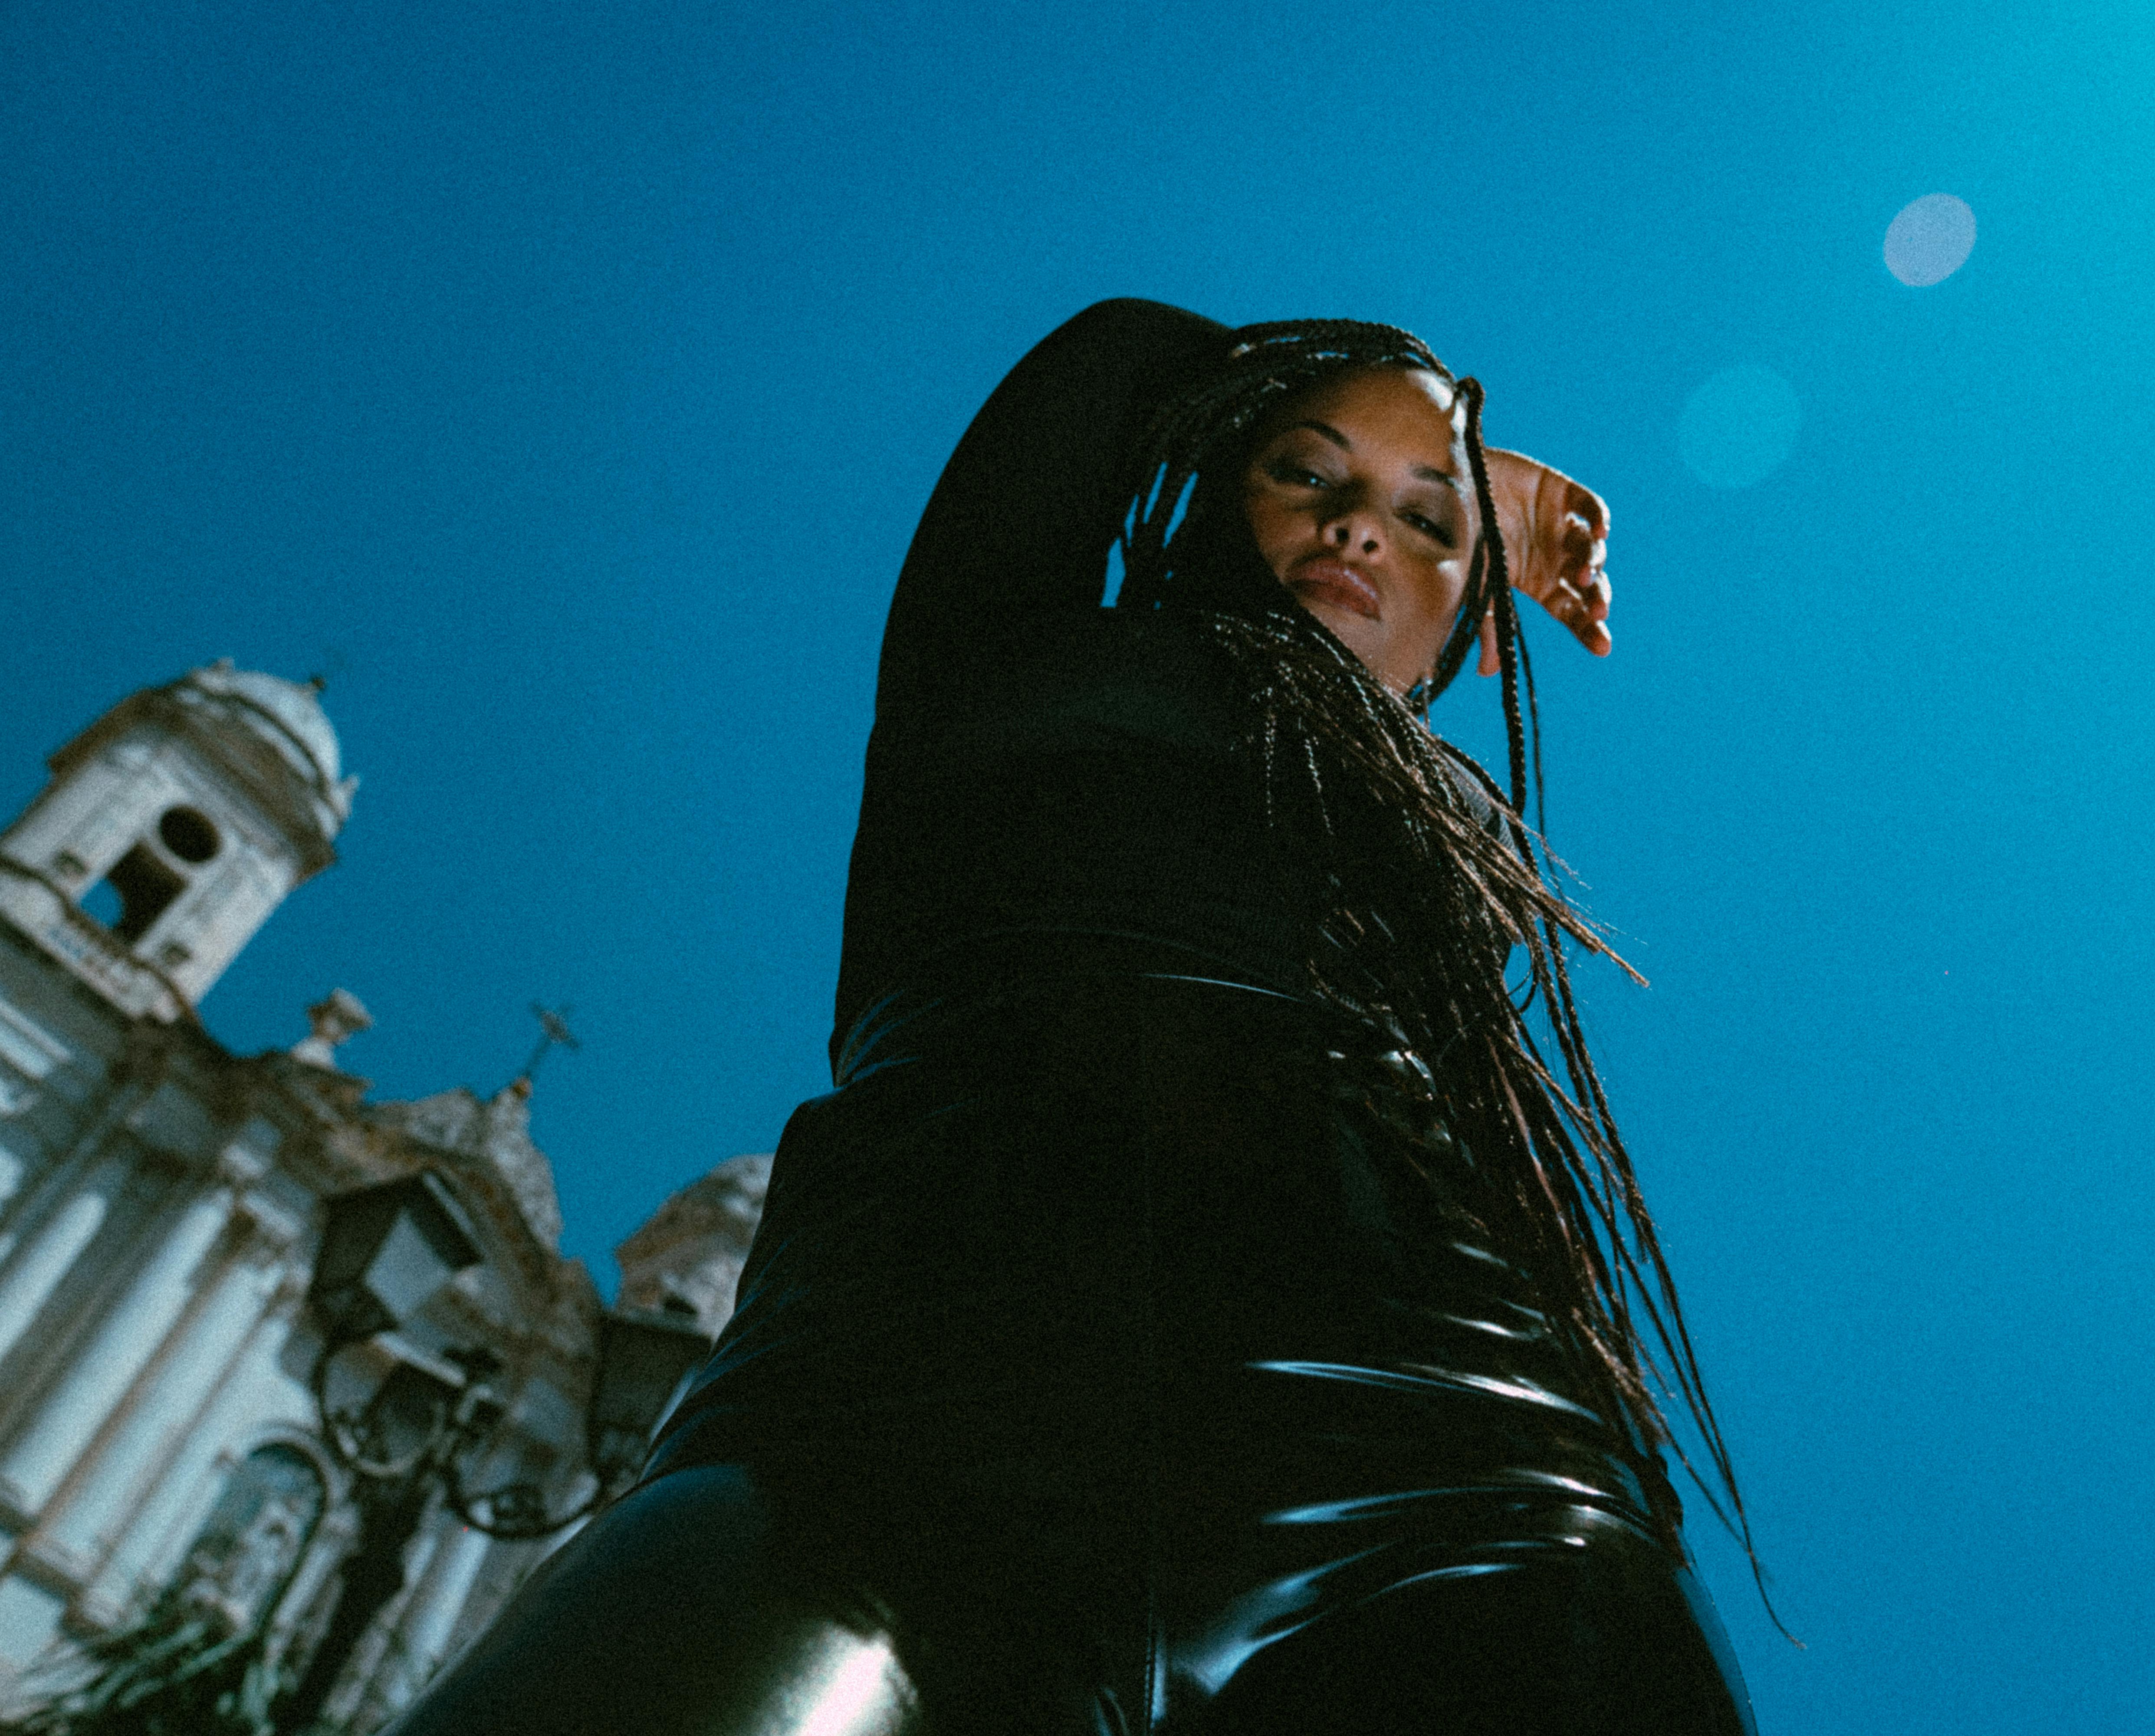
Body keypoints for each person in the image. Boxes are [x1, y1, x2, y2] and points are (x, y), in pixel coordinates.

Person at [384, 301, 1764, 1736]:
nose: (1364, 529)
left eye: (1427, 525)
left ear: (1464, 640)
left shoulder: (1466, 840)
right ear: (1212, 479)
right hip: (911, 1403)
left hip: (1457, 1464)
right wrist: (1473, 466)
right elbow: (1113, 357)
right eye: (1310, 472)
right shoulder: (1008, 639)